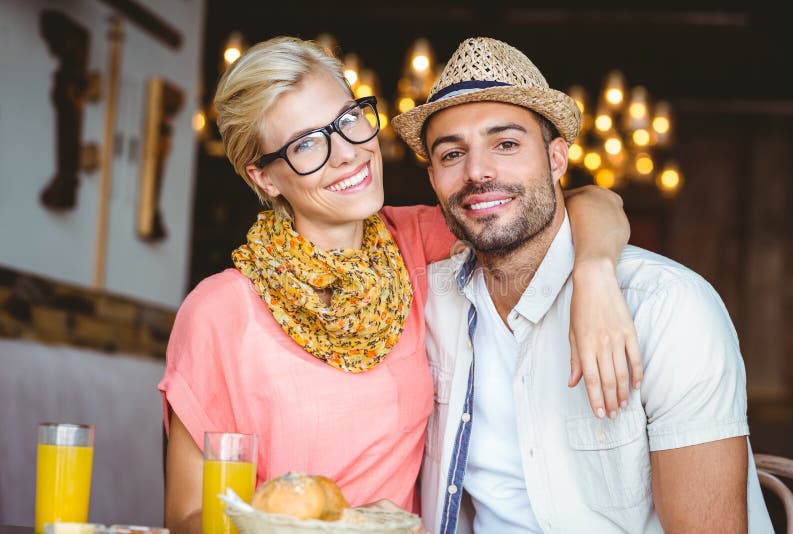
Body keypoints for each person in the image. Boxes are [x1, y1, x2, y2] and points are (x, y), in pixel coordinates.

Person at [158, 37, 639, 533]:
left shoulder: (415, 243)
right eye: (305, 144)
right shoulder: (220, 311)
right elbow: (189, 516)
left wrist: (595, 273)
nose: (346, 153)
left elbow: (581, 202)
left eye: (348, 120)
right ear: (265, 178)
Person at [391, 36, 773, 534]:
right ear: (434, 179)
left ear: (555, 160)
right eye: (451, 154)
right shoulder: (424, 299)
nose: (477, 170)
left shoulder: (666, 309)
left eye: (506, 144)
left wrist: (592, 272)